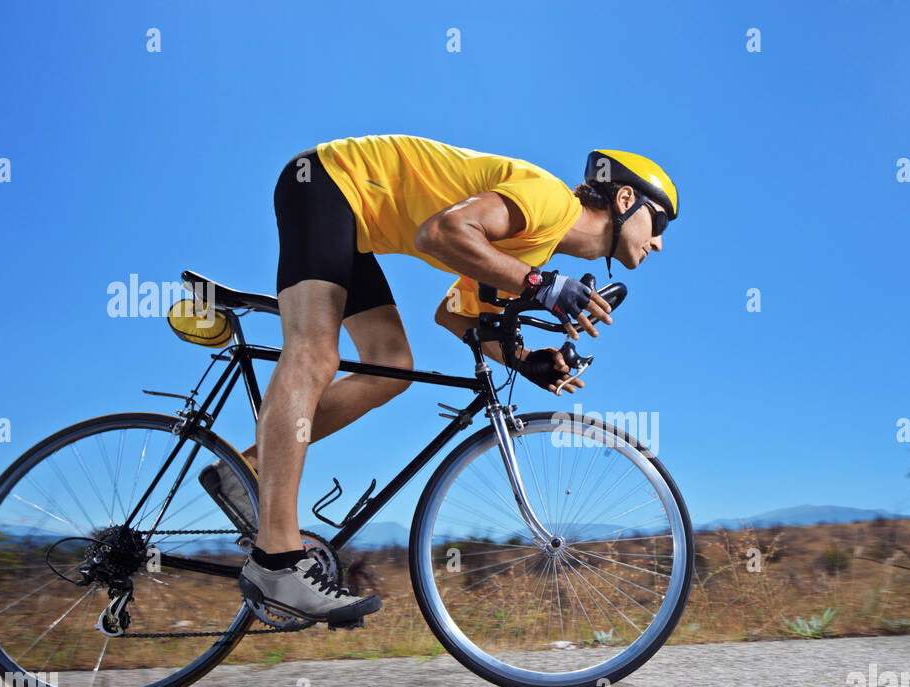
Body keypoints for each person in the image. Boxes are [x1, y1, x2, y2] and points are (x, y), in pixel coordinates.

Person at [198, 134, 679, 626]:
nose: (660, 241)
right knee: (315, 353)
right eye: (659, 222)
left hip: (352, 216)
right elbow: (441, 232)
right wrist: (542, 286)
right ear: (625, 199)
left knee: (392, 365)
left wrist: (524, 358)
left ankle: (244, 469)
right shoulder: (549, 200)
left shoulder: (534, 245)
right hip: (326, 181)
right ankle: (275, 561)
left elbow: (455, 314)